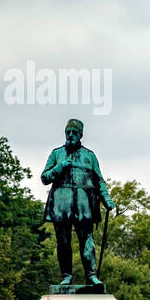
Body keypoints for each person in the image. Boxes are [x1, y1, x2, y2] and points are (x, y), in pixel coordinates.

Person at [41, 118, 115, 287]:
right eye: (68, 132)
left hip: (84, 205)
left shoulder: (89, 156)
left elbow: (99, 181)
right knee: (63, 242)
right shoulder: (56, 154)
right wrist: (60, 167)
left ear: (81, 135)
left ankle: (91, 275)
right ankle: (66, 275)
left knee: (87, 241)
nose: (71, 135)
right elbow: (44, 178)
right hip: (61, 205)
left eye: (74, 132)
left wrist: (107, 199)